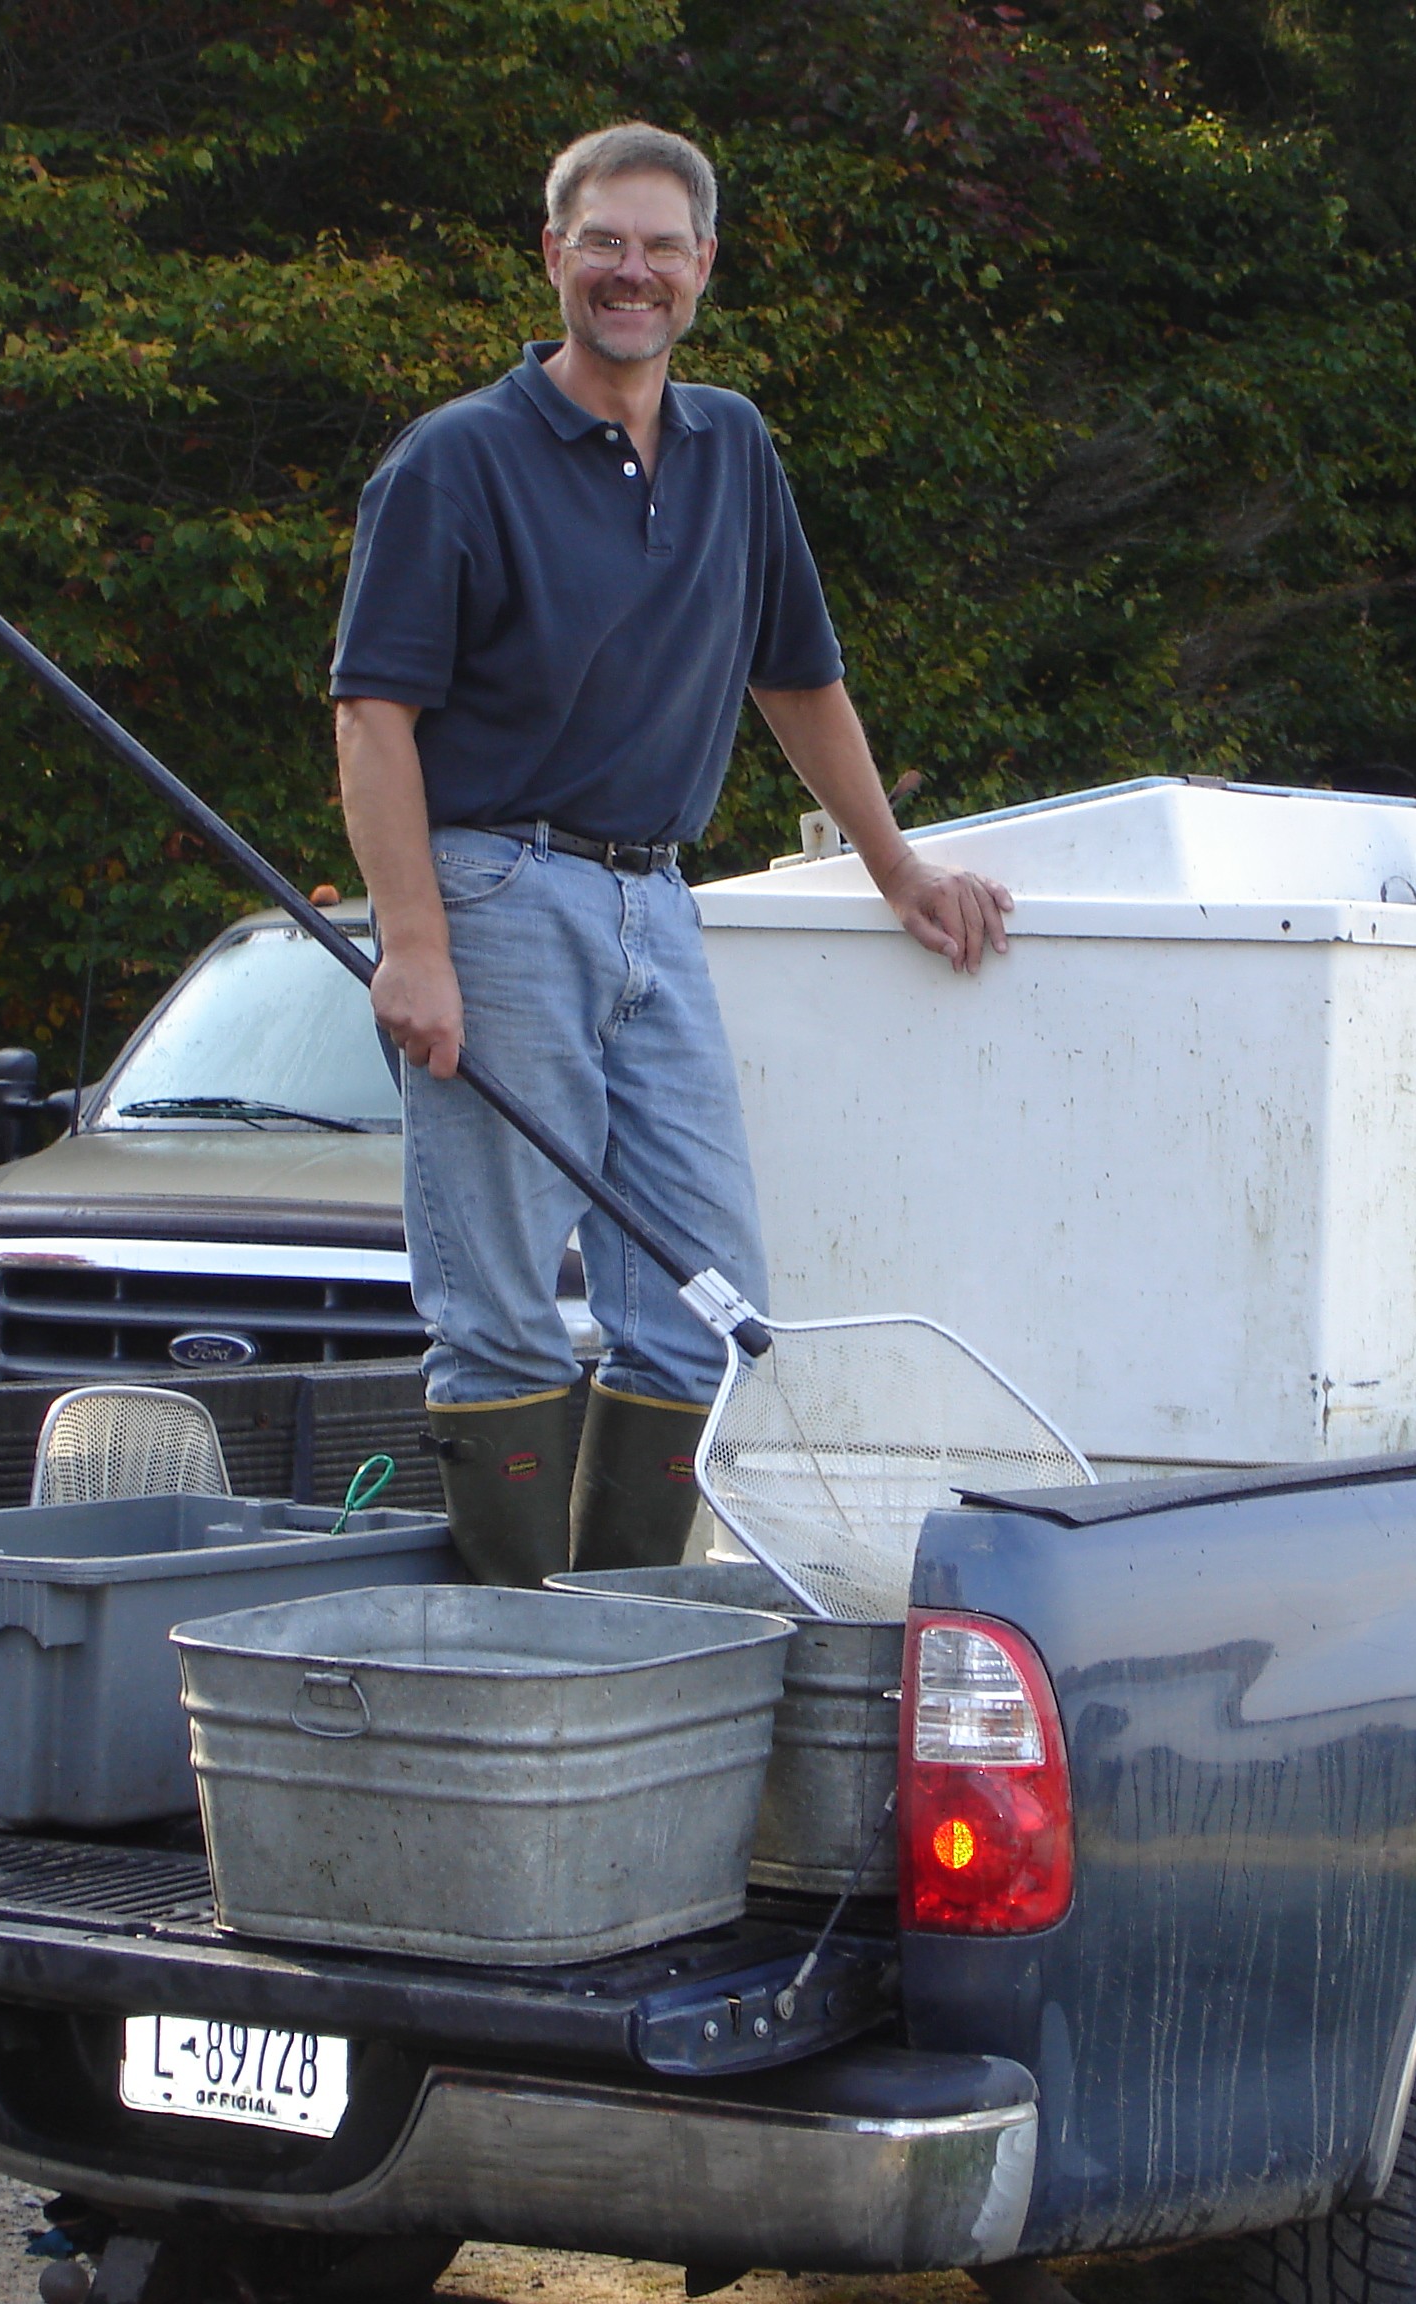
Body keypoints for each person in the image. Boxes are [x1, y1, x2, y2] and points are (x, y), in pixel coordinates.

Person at [329, 120, 1011, 1585]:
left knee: (705, 1301)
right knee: (500, 1304)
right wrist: (417, 942)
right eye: (604, 243)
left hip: (661, 901)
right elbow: (373, 716)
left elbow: (798, 674)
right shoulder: (455, 461)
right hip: (496, 895)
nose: (630, 273)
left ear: (704, 267)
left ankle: (619, 1626)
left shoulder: (734, 447)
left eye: (660, 247)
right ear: (554, 256)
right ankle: (520, 1652)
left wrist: (901, 870)